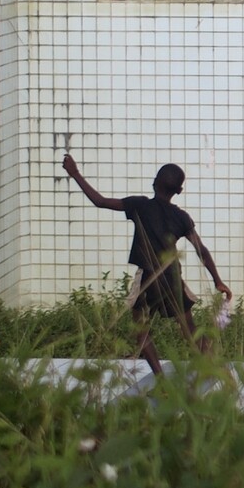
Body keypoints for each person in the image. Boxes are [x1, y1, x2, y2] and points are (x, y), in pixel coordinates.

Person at [62, 155, 232, 377]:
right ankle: (215, 369)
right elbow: (202, 250)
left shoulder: (140, 205)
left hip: (148, 279)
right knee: (190, 329)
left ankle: (160, 378)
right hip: (172, 277)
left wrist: (75, 173)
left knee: (141, 331)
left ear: (154, 183)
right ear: (179, 191)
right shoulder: (181, 217)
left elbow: (100, 201)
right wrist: (217, 281)